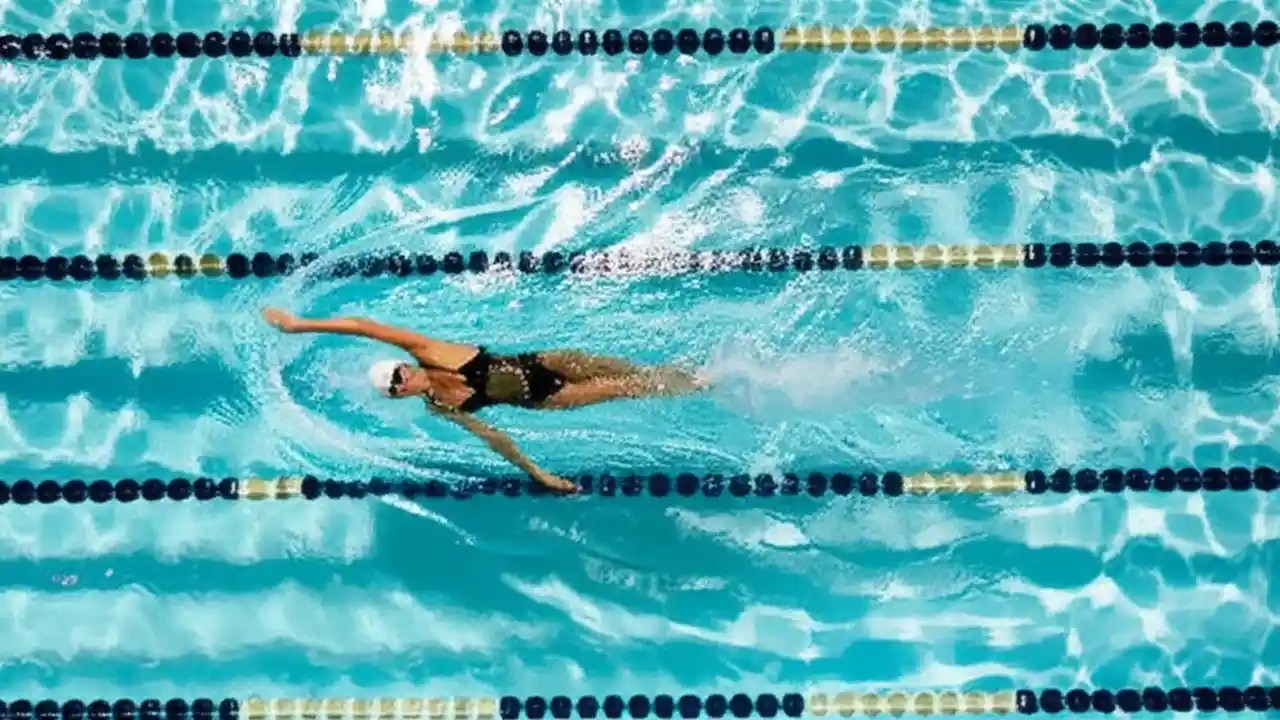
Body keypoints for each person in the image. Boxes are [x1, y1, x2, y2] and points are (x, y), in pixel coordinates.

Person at [263, 308, 705, 493]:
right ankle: (711, 382)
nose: (404, 377)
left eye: (399, 370)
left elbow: (365, 327)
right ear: (398, 395)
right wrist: (539, 474)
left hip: (549, 362)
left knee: (633, 371)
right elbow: (493, 438)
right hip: (549, 397)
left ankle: (703, 373)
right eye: (396, 384)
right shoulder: (441, 407)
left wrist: (298, 325)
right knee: (632, 386)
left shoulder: (429, 353)